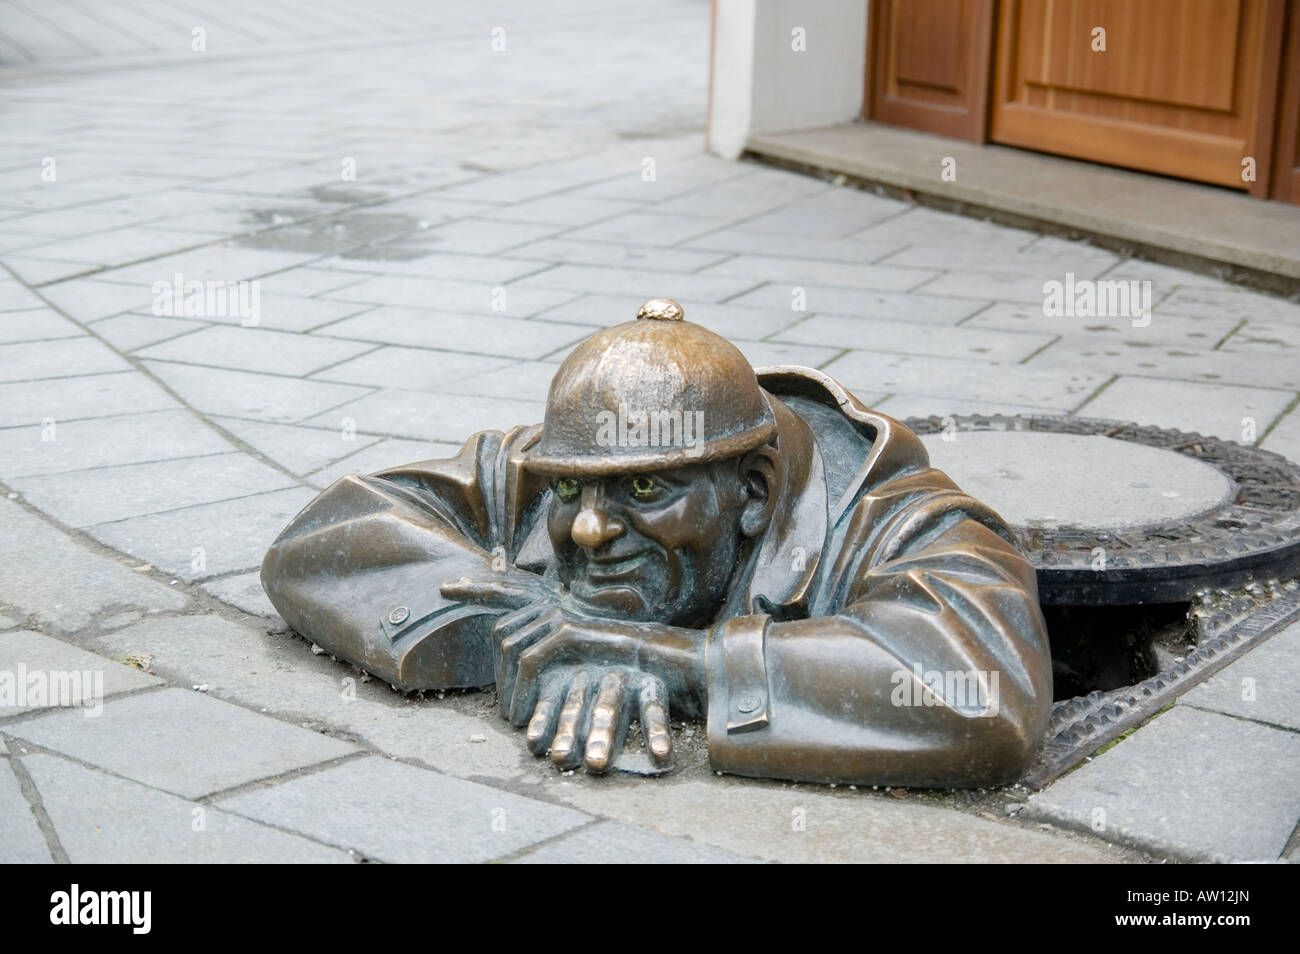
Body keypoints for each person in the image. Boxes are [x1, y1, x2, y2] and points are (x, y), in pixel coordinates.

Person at [262, 299, 1052, 786]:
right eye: (572, 491)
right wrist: (529, 627)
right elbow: (327, 537)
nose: (588, 527)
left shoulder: (894, 518)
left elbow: (982, 691)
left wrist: (676, 662)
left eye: (646, 492)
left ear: (751, 493)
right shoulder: (574, 458)